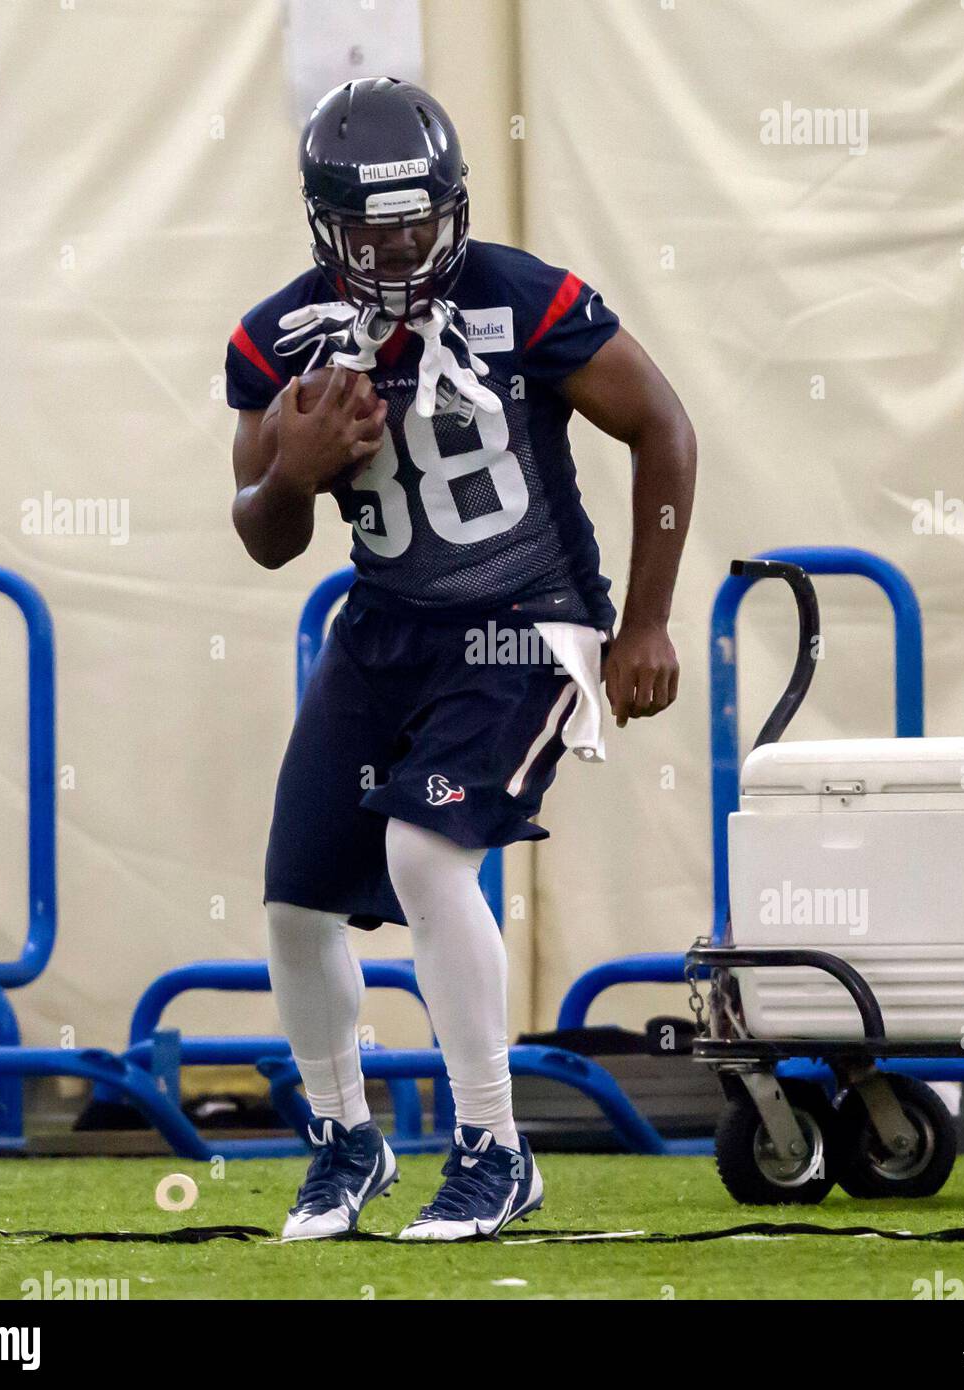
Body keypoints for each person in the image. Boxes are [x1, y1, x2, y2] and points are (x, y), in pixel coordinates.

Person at [226, 77, 695, 1241]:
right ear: (324, 224)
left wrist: (643, 620)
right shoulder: (277, 335)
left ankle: (493, 1144)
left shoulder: (521, 298)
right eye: (370, 227)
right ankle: (346, 1140)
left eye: (414, 219)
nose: (395, 246)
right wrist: (297, 466)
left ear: (452, 204)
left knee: (426, 858)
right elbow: (264, 536)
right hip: (386, 626)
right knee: (292, 902)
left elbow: (662, 425)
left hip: (522, 621)